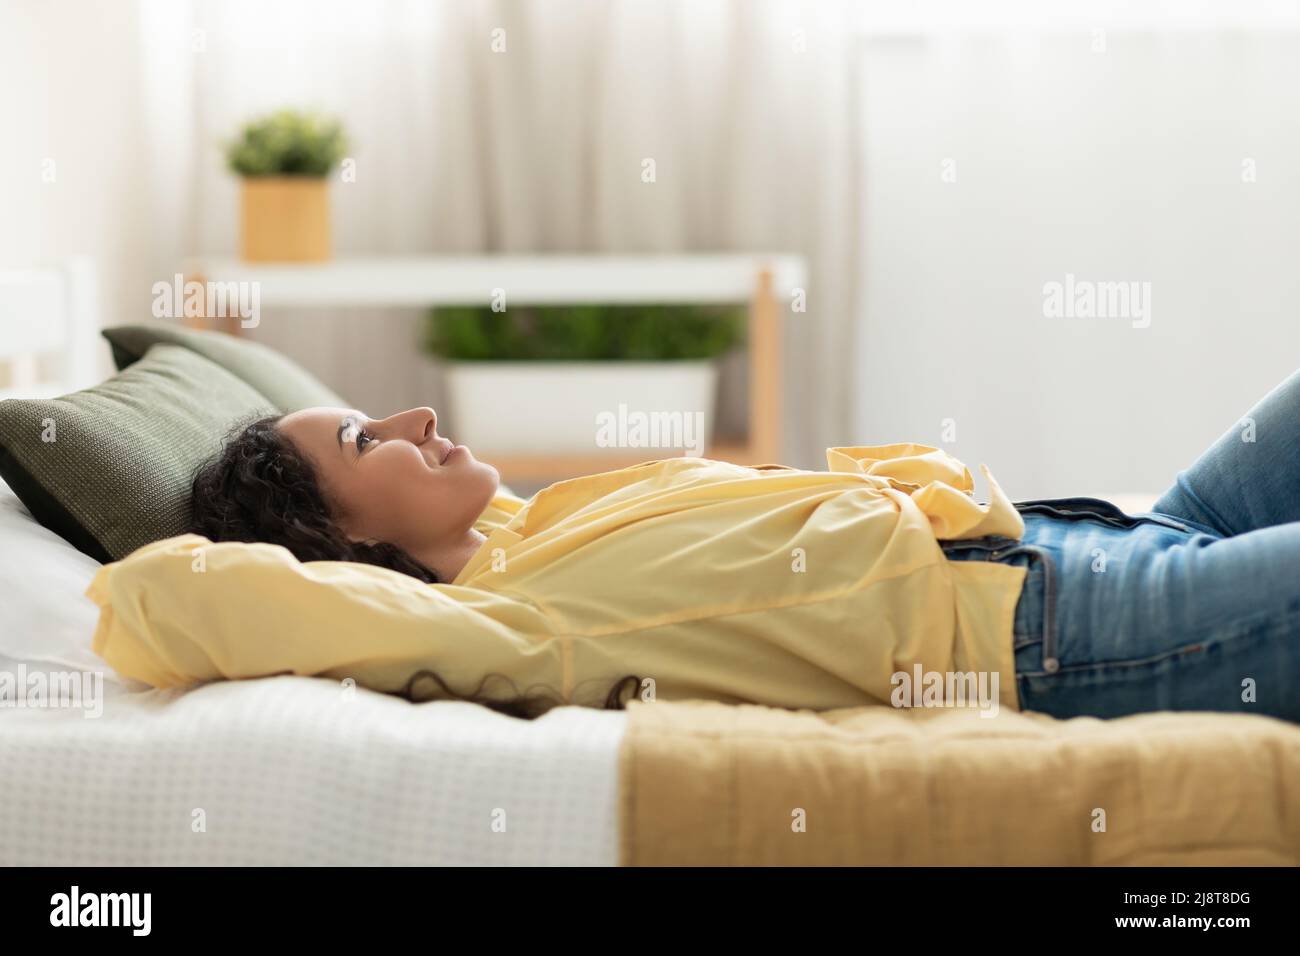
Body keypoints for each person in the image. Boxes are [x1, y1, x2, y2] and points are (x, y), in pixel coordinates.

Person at [96, 371, 1300, 724]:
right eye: (366, 437)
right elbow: (166, 598)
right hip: (1076, 631)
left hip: (1076, 530)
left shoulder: (525, 526)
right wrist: (295, 561)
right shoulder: (494, 630)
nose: (413, 417)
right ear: (339, 536)